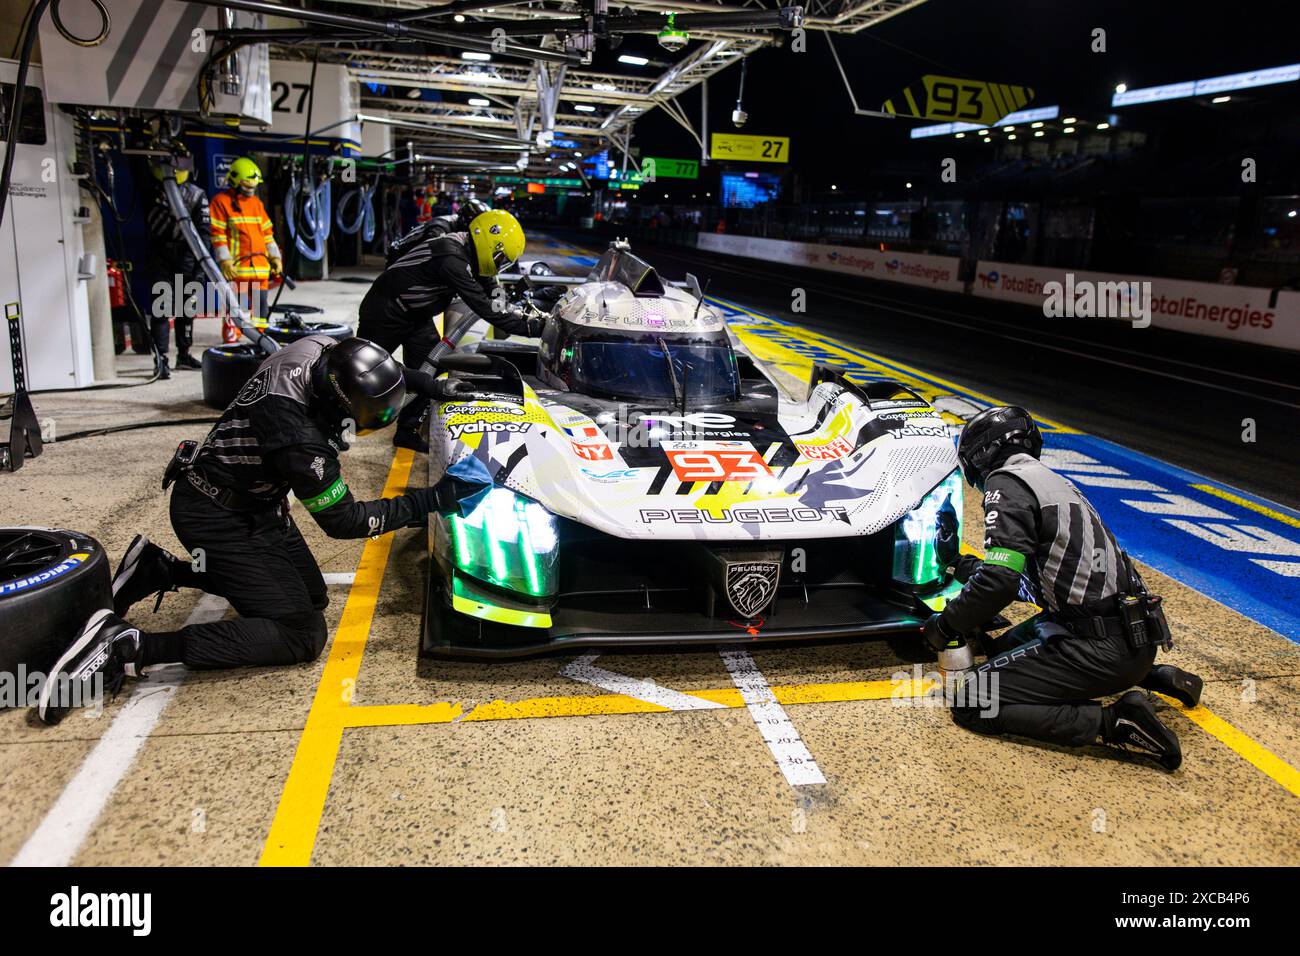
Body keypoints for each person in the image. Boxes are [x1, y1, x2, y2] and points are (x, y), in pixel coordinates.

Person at [36, 337, 492, 725]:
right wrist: (434, 499)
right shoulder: (299, 438)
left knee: (312, 595)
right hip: (217, 516)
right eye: (367, 416)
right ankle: (129, 646)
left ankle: (160, 570)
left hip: (252, 501)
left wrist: (436, 387)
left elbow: (375, 369)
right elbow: (345, 521)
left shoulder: (316, 350)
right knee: (302, 633)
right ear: (337, 403)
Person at [924, 406, 1203, 771]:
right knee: (1001, 649)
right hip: (1135, 639)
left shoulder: (1005, 484)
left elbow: (1000, 582)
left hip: (1098, 646)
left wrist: (945, 626)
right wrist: (958, 563)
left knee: (975, 699)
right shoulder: (1054, 483)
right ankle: (1151, 676)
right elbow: (1036, 582)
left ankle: (1115, 721)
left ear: (979, 456)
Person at [358, 207, 538, 453]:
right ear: (489, 242)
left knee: (431, 370)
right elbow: (486, 308)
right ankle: (337, 419)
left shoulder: (471, 255)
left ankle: (407, 431)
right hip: (385, 311)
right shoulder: (451, 256)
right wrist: (530, 328)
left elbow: (494, 296)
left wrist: (517, 312)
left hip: (415, 315)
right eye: (500, 258)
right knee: (364, 370)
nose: (499, 265)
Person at [145, 142, 209, 376]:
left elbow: (204, 233)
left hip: (188, 256)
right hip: (160, 256)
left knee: (186, 308)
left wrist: (201, 266)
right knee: (161, 309)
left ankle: (183, 354)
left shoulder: (196, 194)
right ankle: (160, 358)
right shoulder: (150, 190)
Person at [209, 157, 281, 326]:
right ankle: (232, 339)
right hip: (237, 269)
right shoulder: (221, 202)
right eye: (247, 186)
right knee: (235, 309)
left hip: (259, 267)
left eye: (253, 186)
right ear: (234, 180)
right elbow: (217, 234)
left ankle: (261, 340)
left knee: (261, 311)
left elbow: (267, 234)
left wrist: (275, 257)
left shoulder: (256, 203)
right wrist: (225, 260)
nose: (251, 190)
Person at [384, 197, 488, 268]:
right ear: (467, 222)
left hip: (409, 258)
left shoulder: (456, 222)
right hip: (400, 259)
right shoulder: (439, 230)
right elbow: (437, 261)